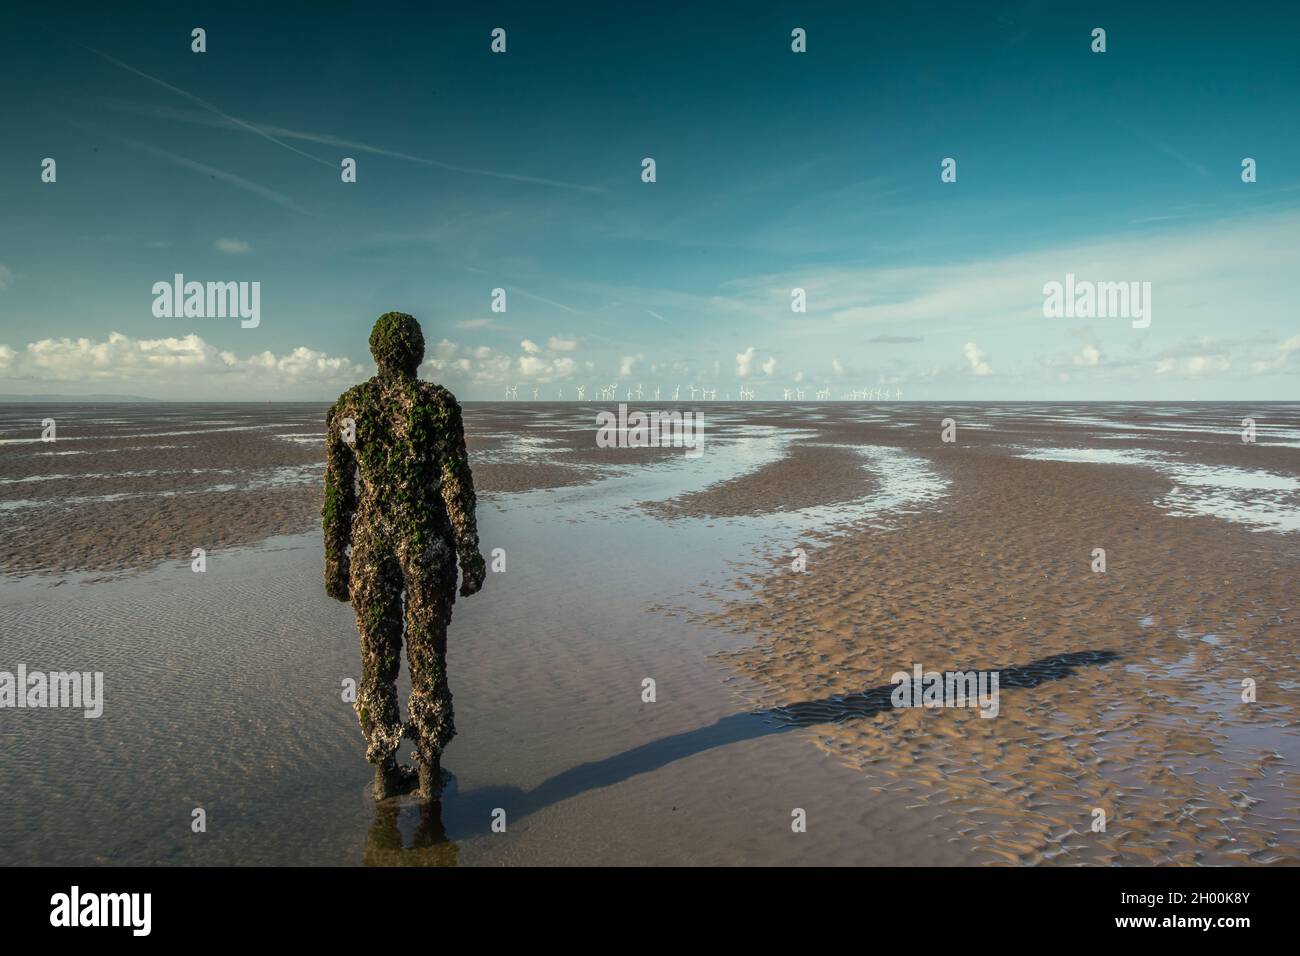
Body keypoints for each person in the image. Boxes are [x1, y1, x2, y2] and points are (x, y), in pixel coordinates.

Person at [323, 312, 486, 799]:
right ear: (418, 351)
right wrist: (471, 551)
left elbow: (338, 492)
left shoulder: (349, 408)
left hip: (371, 546)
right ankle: (431, 774)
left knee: (376, 662)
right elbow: (457, 484)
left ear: (376, 351)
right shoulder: (436, 404)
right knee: (428, 656)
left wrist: (335, 557)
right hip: (427, 545)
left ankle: (384, 775)